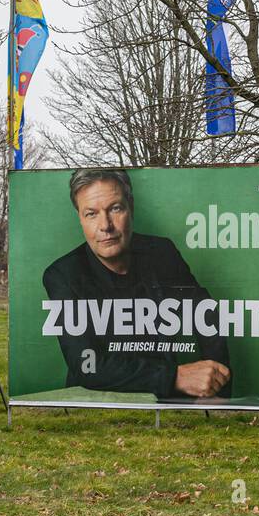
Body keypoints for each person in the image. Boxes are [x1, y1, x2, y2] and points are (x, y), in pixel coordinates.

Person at [42, 168, 232, 400]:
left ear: (130, 206)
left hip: (164, 403)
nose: (105, 226)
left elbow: (208, 317)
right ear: (80, 217)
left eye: (115, 208)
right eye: (91, 214)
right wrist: (175, 377)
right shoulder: (62, 275)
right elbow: (87, 365)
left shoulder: (162, 253)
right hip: (97, 406)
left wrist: (216, 387)